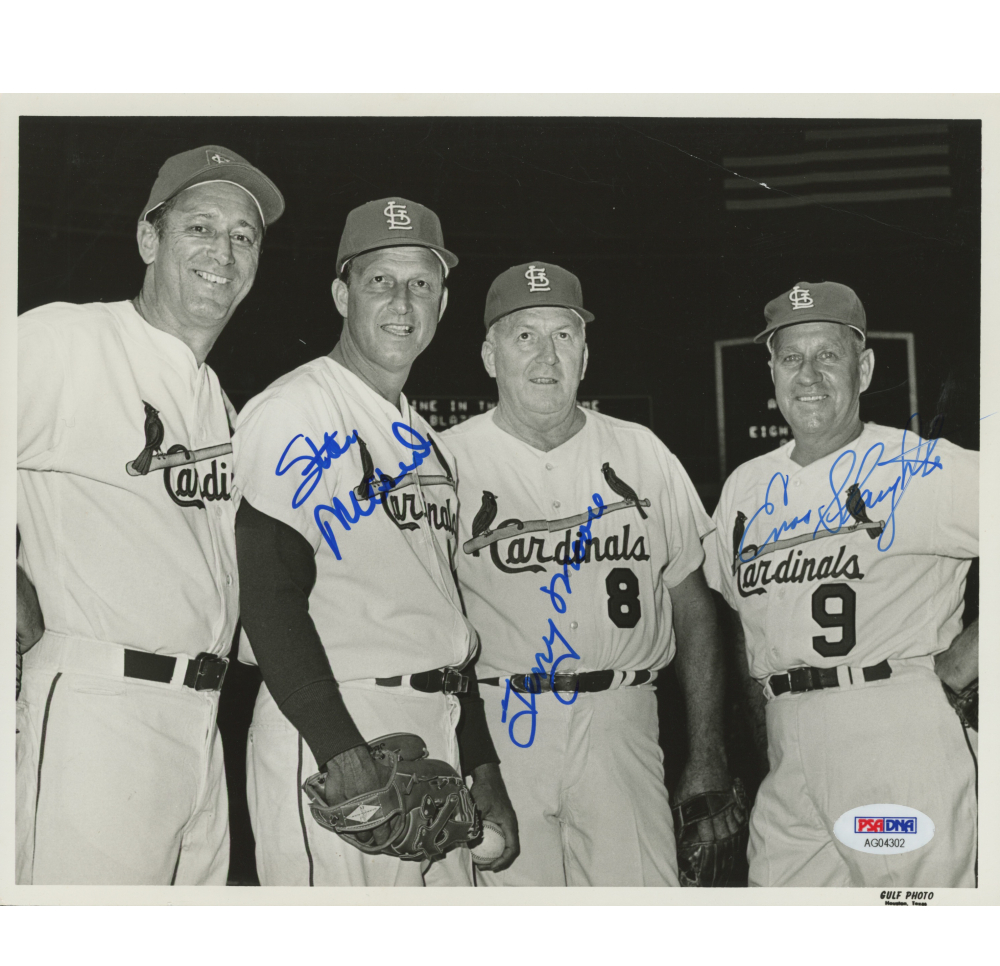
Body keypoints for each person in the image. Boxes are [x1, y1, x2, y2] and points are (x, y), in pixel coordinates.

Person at [16, 144, 285, 884]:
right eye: (200, 227)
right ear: (148, 238)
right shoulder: (70, 341)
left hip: (199, 721)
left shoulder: (216, 399)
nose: (223, 253)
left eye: (243, 236)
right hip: (98, 709)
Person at [233, 197, 519, 886]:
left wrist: (483, 765)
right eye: (379, 281)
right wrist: (340, 751)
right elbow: (268, 595)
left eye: (420, 283)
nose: (401, 301)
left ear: (443, 303)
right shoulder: (296, 409)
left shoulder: (424, 444)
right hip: (340, 726)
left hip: (433, 727)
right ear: (342, 293)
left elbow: (446, 617)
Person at [442, 261, 741, 886]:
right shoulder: (446, 462)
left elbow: (693, 604)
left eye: (564, 335)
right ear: (489, 355)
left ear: (585, 353)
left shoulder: (642, 452)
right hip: (502, 725)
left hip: (623, 719)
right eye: (524, 335)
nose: (546, 355)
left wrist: (708, 752)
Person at [703, 280, 979, 887]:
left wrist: (970, 656)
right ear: (771, 371)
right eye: (792, 357)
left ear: (865, 367)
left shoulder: (917, 466)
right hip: (787, 742)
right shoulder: (746, 488)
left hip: (893, 731)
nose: (809, 375)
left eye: (829, 355)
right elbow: (745, 631)